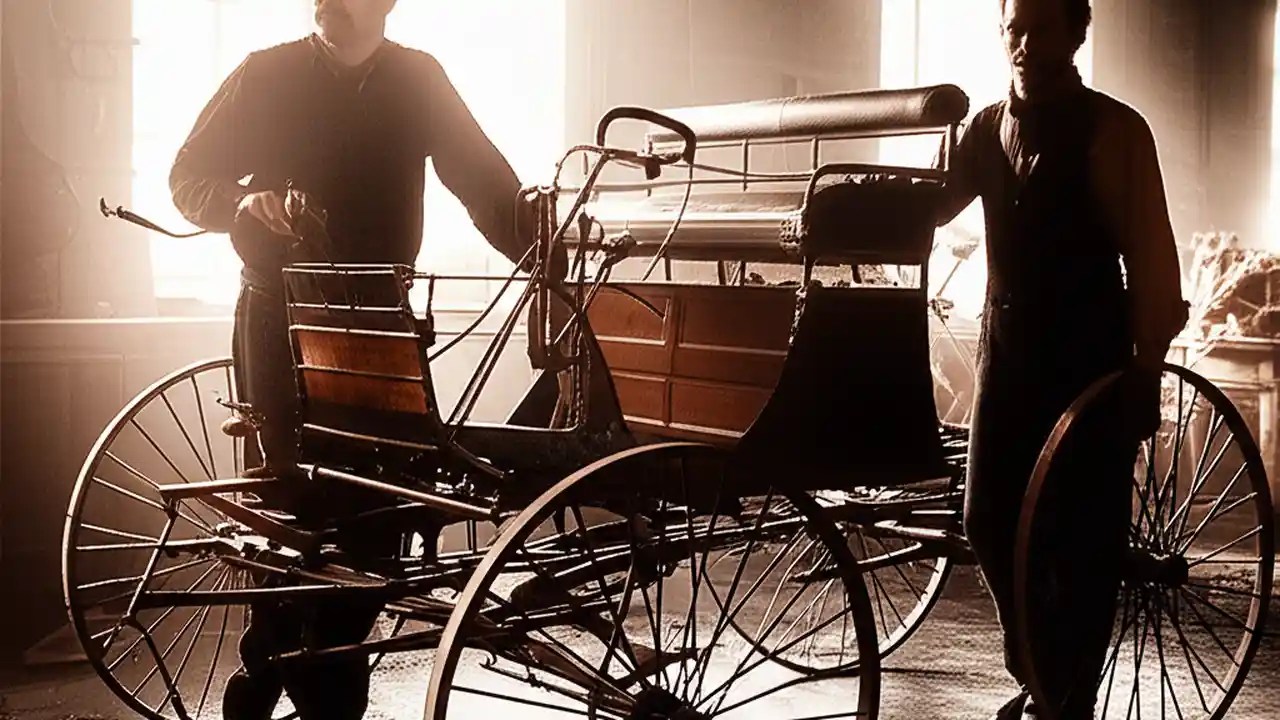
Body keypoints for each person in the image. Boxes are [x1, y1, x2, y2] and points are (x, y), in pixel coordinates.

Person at [168, 1, 536, 718]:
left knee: (379, 513)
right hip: (277, 316)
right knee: (290, 504)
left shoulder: (419, 80)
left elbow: (489, 188)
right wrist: (244, 204)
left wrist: (550, 252)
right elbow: (187, 179)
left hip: (377, 322)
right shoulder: (264, 73)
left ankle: (308, 686)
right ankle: (275, 678)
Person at [936, 0, 1189, 717]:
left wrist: (1147, 365)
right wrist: (849, 205)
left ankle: (1066, 695)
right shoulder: (986, 129)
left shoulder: (1113, 130)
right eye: (1014, 29)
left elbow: (1151, 255)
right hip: (1007, 355)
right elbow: (933, 206)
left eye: (1042, 28)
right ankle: (1038, 670)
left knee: (1078, 542)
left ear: (1077, 34)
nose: (1025, 44)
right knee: (987, 517)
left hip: (1088, 365)